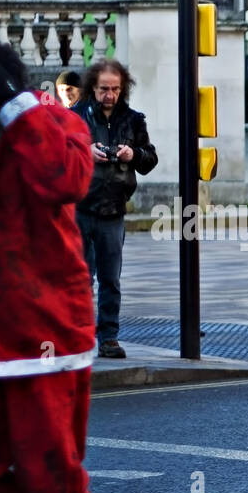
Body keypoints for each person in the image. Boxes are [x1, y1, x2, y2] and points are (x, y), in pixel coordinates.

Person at [0, 44, 121, 493]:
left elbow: (66, 177)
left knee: (49, 466)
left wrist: (14, 109)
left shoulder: (53, 125)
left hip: (42, 329)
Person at [71, 60, 159, 361]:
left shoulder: (133, 120)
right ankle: (79, 334)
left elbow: (150, 159)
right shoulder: (75, 117)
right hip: (81, 205)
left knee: (111, 278)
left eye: (115, 89)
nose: (109, 95)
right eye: (104, 89)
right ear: (92, 87)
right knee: (80, 277)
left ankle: (108, 337)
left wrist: (133, 153)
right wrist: (85, 151)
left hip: (114, 208)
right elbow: (57, 155)